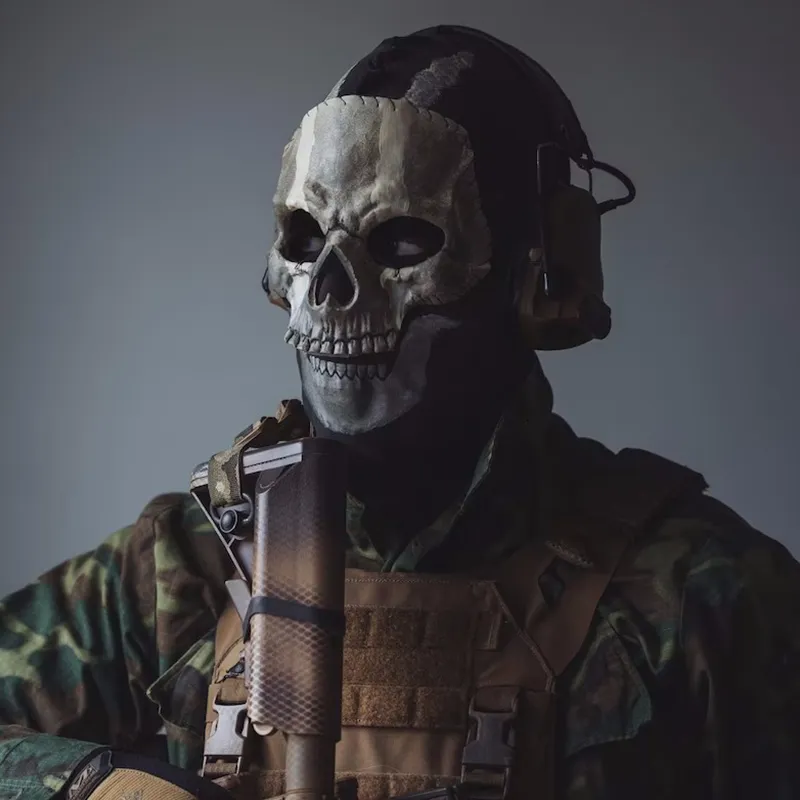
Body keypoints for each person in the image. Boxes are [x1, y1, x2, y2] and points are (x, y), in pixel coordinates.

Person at [1, 24, 798, 800]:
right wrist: (100, 786)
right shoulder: (183, 573)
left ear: (538, 274)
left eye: (404, 240)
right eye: (305, 238)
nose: (329, 291)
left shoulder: (702, 597)